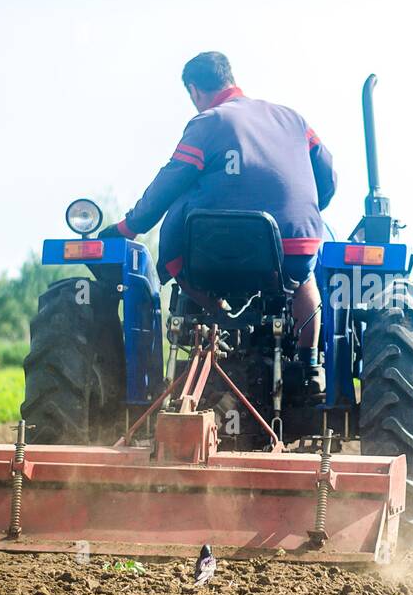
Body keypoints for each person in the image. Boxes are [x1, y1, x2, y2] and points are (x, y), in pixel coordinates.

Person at [101, 51, 336, 375]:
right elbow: (328, 176)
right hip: (294, 244)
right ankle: (310, 365)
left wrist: (129, 226)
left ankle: (222, 317)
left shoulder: (208, 122)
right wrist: (310, 206)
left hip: (217, 251)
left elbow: (172, 180)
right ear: (230, 78)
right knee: (304, 277)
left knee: (180, 253)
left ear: (195, 91)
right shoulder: (292, 118)